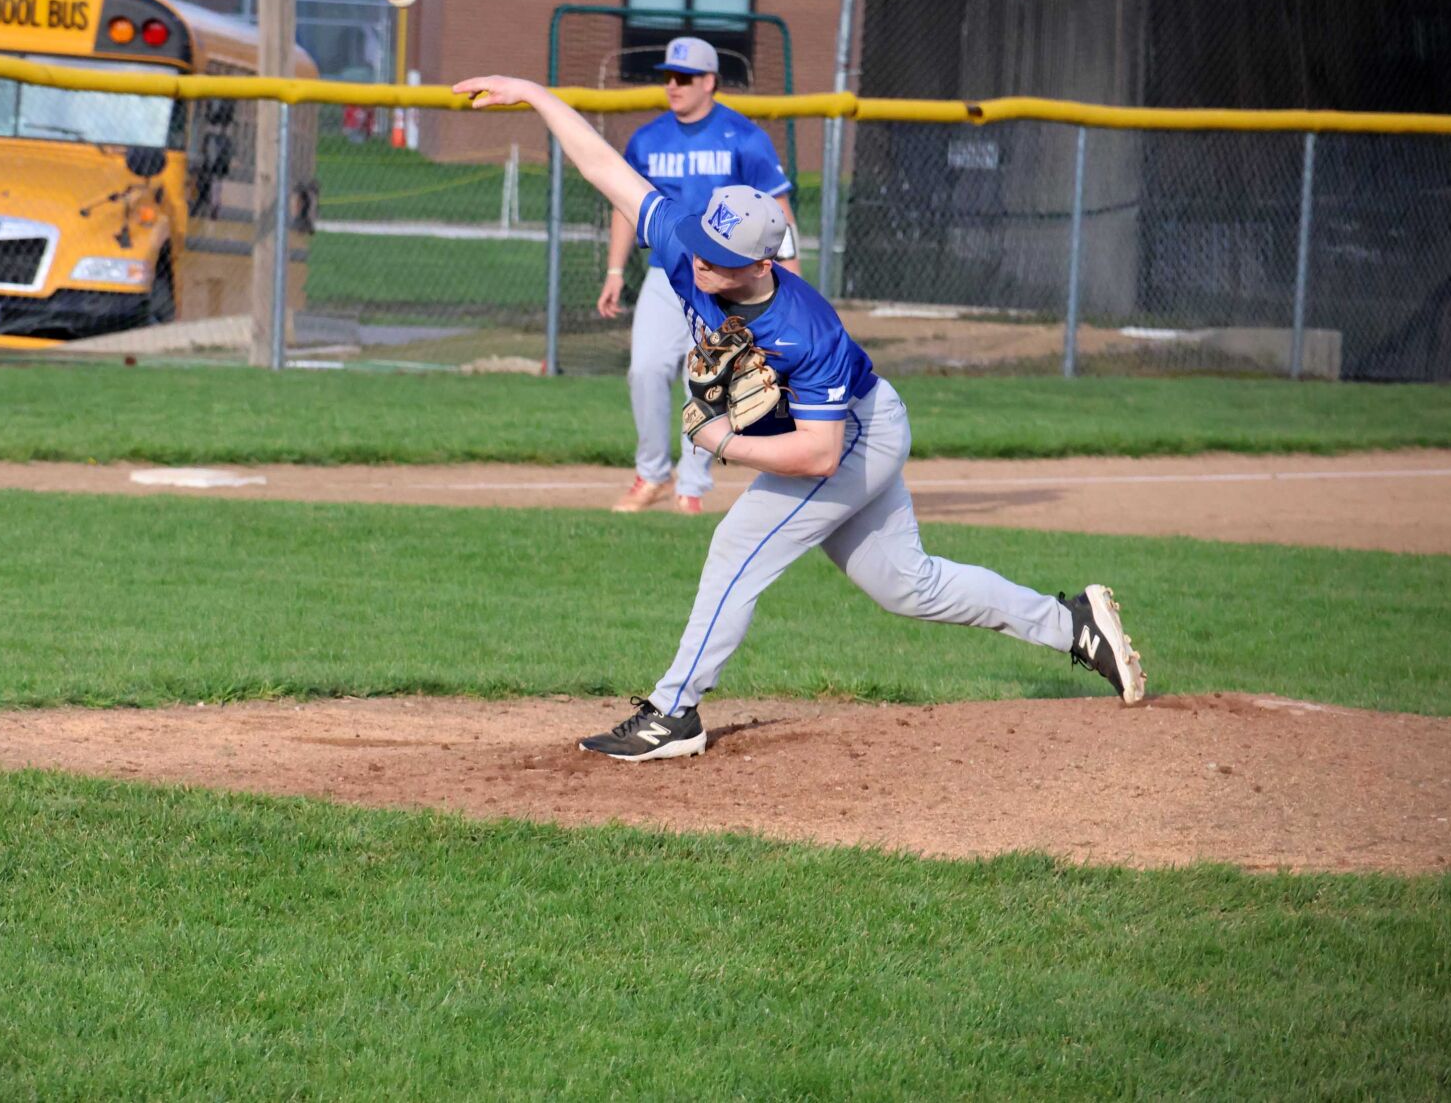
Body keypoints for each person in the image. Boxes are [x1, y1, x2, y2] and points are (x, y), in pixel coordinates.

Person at [452, 73, 1148, 763]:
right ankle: (1074, 626)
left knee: (736, 546)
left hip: (856, 434)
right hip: (840, 429)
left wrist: (721, 439)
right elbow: (602, 167)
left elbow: (819, 455)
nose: (700, 266)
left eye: (721, 261)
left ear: (763, 262)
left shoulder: (804, 329)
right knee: (908, 585)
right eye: (701, 249)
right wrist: (536, 94)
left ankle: (674, 712)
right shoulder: (684, 241)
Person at [600, 37, 801, 517]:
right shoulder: (647, 140)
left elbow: (777, 210)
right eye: (668, 76)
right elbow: (628, 208)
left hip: (725, 282)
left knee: (710, 379)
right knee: (645, 370)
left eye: (685, 77)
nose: (673, 85)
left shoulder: (744, 136)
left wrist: (791, 279)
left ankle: (691, 486)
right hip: (665, 273)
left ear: (709, 81)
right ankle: (652, 474)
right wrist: (614, 270)